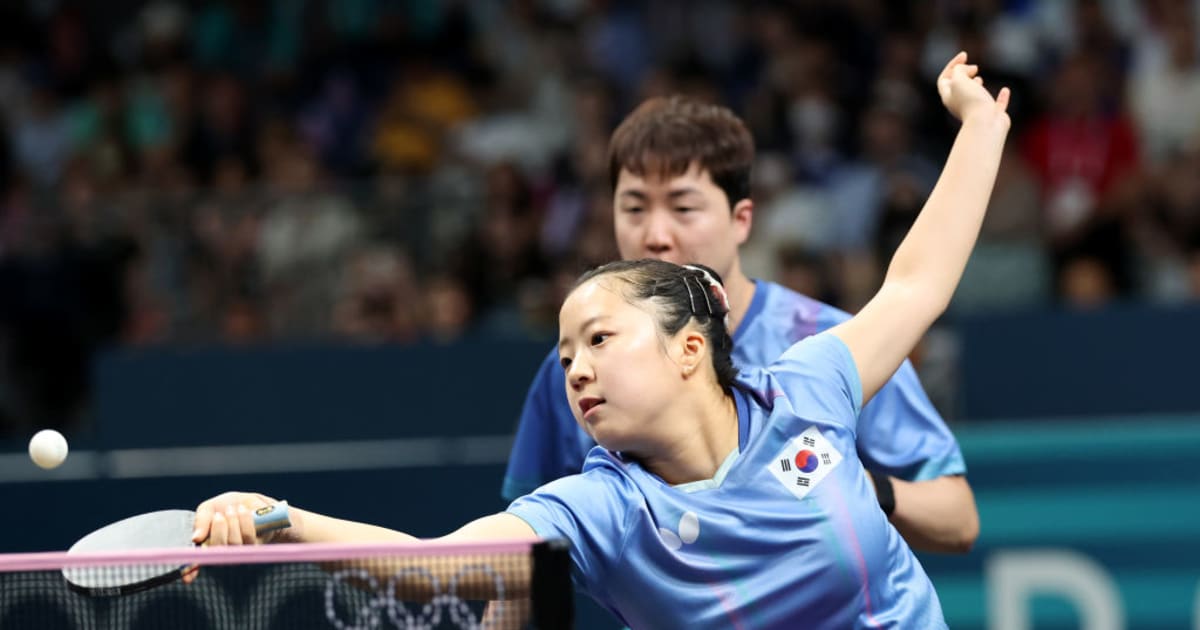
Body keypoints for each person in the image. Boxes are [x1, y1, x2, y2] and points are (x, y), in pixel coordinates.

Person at [193, 54, 1009, 627]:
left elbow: (917, 282)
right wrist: (279, 519)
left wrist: (980, 126)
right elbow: (436, 561)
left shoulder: (807, 385)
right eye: (568, 349)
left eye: (599, 339)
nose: (575, 368)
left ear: (691, 348)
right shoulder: (599, 508)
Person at [503, 67, 979, 555]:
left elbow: (958, 518)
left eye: (684, 208)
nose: (656, 235)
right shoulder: (581, 371)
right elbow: (527, 548)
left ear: (741, 220)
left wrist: (848, 483)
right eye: (634, 208)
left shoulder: (828, 344)